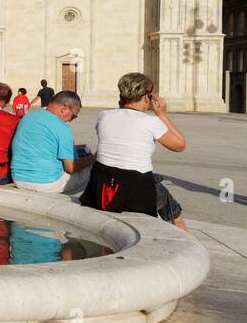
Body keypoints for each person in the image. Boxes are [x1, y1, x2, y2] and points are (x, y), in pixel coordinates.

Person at [80, 73, 189, 230]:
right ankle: (182, 234)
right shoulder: (151, 122)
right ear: (146, 97)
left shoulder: (103, 116)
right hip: (136, 192)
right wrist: (162, 115)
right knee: (169, 205)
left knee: (155, 182)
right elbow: (180, 145)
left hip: (102, 188)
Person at [10, 92, 93, 194]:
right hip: (47, 183)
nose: (71, 120)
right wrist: (94, 158)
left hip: (19, 179)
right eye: (73, 116)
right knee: (93, 167)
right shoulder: (62, 127)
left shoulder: (27, 118)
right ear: (64, 109)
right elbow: (71, 167)